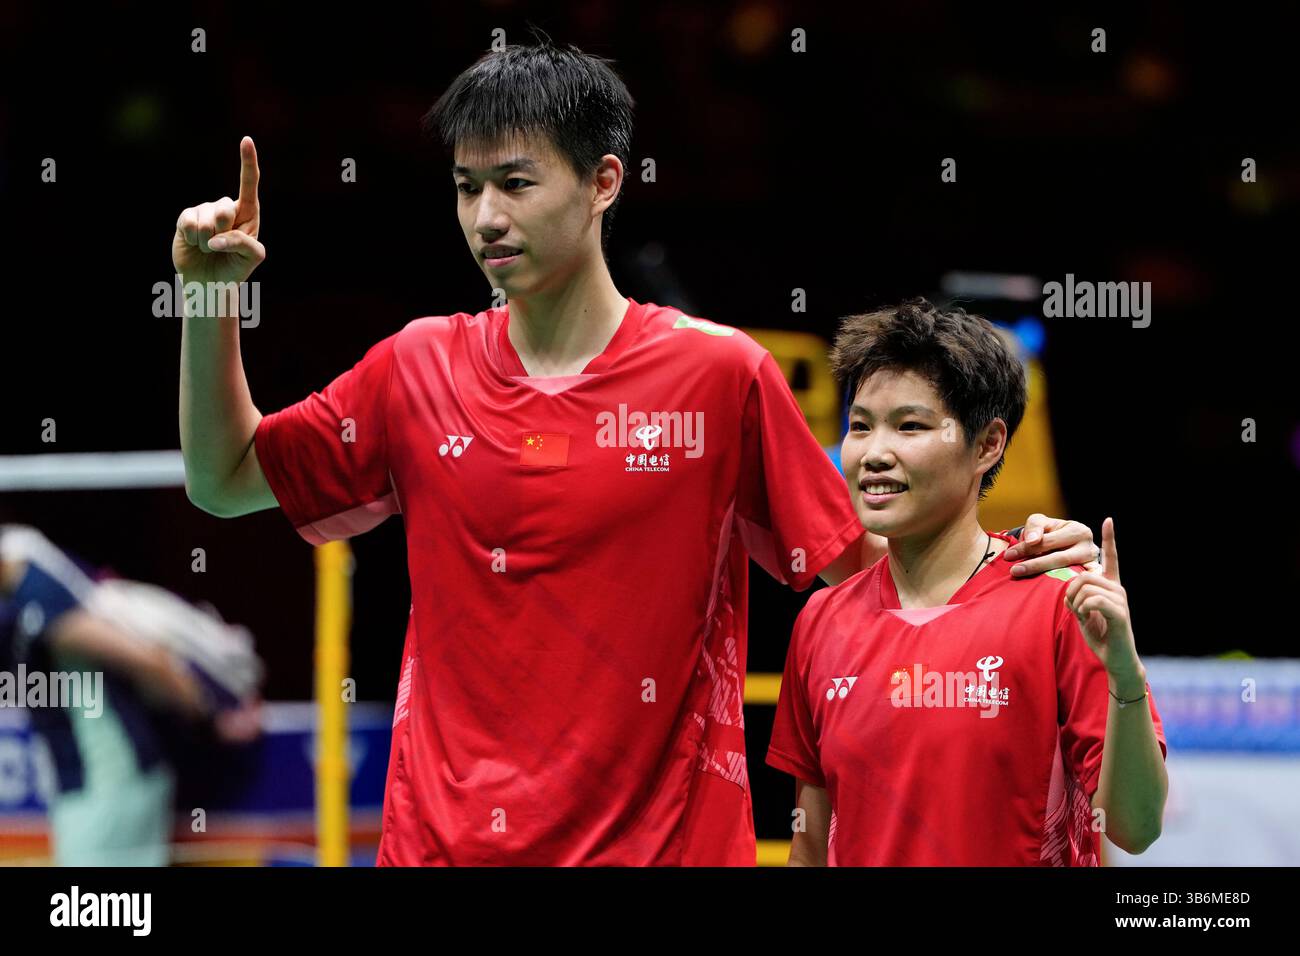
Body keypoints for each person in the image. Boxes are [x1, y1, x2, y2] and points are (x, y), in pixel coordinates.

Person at [174, 38, 1098, 865]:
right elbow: (225, 481)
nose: (486, 216)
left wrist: (1028, 570)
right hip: (442, 850)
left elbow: (877, 573)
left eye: (517, 182)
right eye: (466, 187)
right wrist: (209, 302)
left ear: (603, 182)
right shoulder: (414, 369)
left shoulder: (716, 375)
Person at [766, 298, 1168, 866]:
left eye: (910, 426)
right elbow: (810, 844)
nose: (875, 453)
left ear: (987, 445)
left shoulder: (1059, 600)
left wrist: (1125, 675)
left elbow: (1137, 827)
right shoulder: (822, 620)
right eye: (860, 426)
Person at [0, 524, 262, 865]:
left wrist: (211, 714)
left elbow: (150, 662)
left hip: (108, 786)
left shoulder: (41, 592)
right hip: (94, 786)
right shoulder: (24, 584)